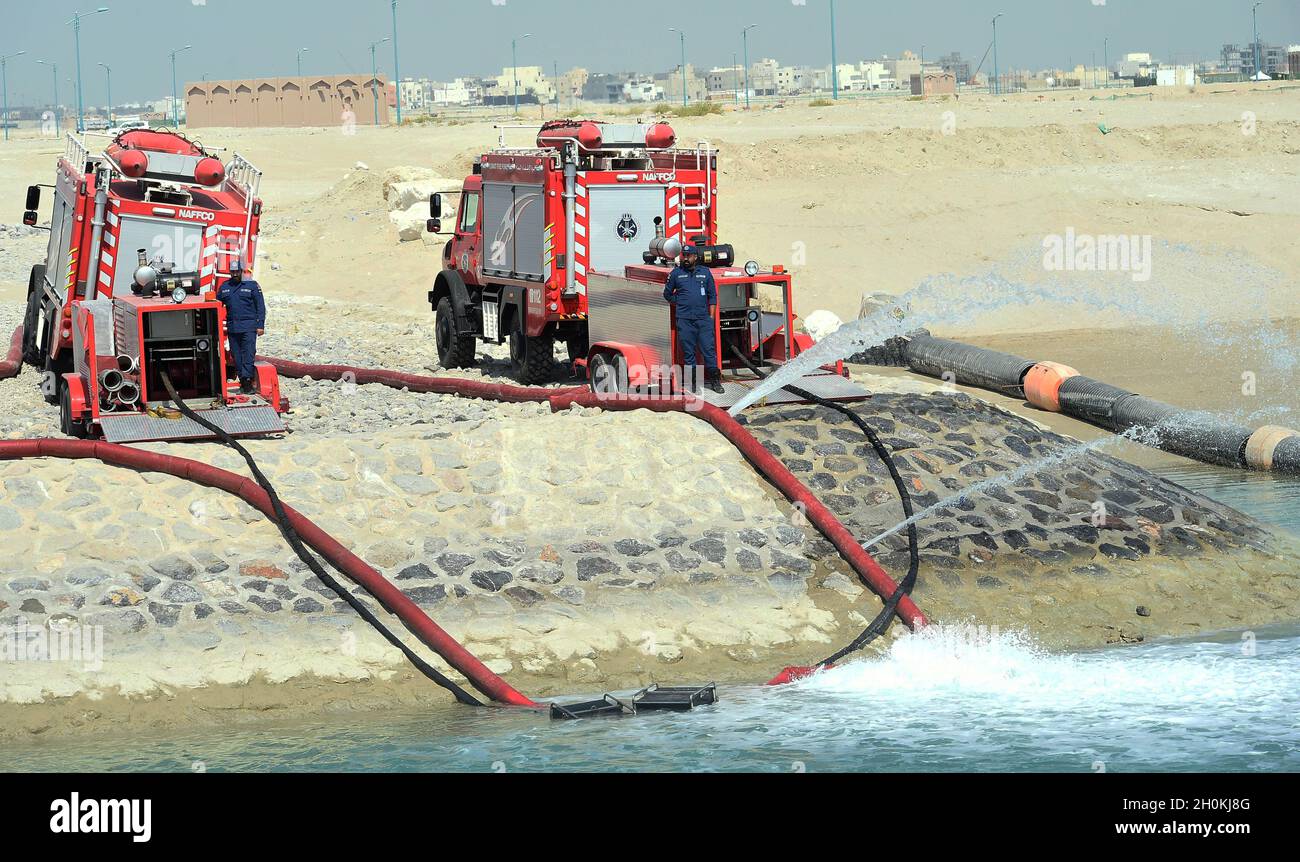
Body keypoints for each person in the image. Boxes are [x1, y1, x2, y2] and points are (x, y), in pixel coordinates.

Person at [663, 245, 725, 394]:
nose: (685, 258)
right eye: (684, 255)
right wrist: (679, 301)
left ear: (695, 257)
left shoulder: (705, 272)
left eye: (688, 256)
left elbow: (713, 296)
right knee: (689, 353)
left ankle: (715, 382)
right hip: (684, 320)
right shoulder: (676, 273)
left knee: (708, 351)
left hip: (703, 320)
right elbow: (667, 294)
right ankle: (693, 384)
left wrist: (711, 317)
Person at [217, 260, 266, 395]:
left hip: (249, 327)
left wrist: (260, 325)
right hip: (233, 328)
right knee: (236, 356)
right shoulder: (225, 287)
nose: (234, 274)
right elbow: (215, 303)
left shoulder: (252, 285)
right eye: (232, 272)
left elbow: (260, 306)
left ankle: (247, 383)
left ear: (241, 271)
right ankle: (242, 381)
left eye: (236, 272)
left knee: (248, 355)